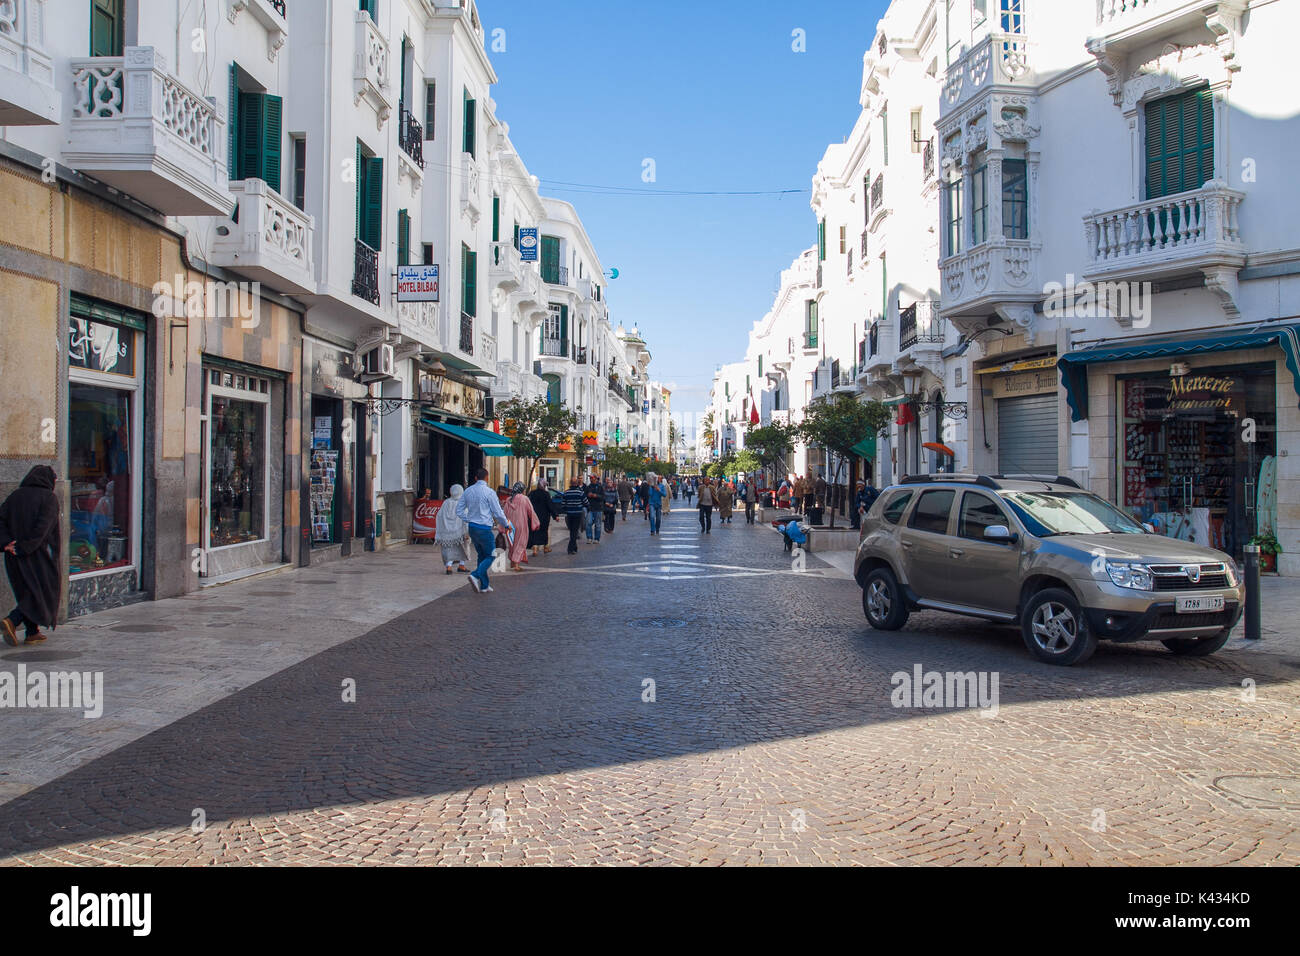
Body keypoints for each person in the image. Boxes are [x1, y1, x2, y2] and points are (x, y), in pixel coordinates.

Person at [0, 465, 61, 646]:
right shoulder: (49, 498)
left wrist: (7, 544)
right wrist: (25, 547)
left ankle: (32, 632)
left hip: (14, 555)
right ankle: (13, 619)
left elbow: (0, 520)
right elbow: (43, 528)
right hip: (37, 554)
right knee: (42, 591)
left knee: (26, 591)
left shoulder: (15, 496)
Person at [455, 467, 513, 594]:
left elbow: (458, 510)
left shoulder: (468, 491)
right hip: (484, 527)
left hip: (472, 527)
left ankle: (484, 585)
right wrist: (506, 524)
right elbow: (497, 512)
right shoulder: (489, 492)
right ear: (487, 477)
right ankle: (475, 575)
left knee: (482, 555)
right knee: (492, 555)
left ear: (476, 478)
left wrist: (469, 518)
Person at [435, 484, 471, 575]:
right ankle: (461, 566)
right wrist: (467, 532)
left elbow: (439, 516)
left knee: (449, 549)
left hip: (447, 533)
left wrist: (443, 528)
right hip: (460, 532)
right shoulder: (463, 503)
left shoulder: (446, 502)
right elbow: (466, 518)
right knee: (464, 548)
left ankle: (449, 567)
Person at [503, 482, 540, 571]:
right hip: (521, 525)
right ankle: (516, 564)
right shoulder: (524, 499)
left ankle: (512, 562)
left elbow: (504, 514)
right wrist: (536, 523)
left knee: (512, 544)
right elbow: (531, 511)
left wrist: (502, 526)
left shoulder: (508, 500)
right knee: (520, 543)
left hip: (510, 525)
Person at [528, 479, 559, 555]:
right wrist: (555, 516)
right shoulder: (546, 494)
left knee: (534, 532)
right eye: (545, 485)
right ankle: (546, 547)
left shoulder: (532, 493)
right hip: (544, 518)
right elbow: (550, 506)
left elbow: (528, 504)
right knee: (544, 532)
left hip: (534, 517)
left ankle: (535, 549)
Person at [561, 478, 587, 554]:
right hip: (577, 514)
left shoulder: (566, 493)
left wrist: (567, 508)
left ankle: (574, 547)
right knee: (574, 531)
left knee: (572, 531)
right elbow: (586, 502)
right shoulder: (580, 493)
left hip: (569, 514)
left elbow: (563, 505)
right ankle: (570, 548)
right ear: (577, 484)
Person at [583, 474, 605, 544]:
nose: (590, 479)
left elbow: (603, 497)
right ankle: (589, 538)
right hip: (590, 508)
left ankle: (597, 538)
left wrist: (596, 496)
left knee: (598, 524)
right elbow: (584, 496)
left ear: (595, 478)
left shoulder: (600, 487)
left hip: (598, 508)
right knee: (588, 523)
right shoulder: (588, 487)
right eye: (590, 478)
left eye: (592, 478)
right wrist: (588, 496)